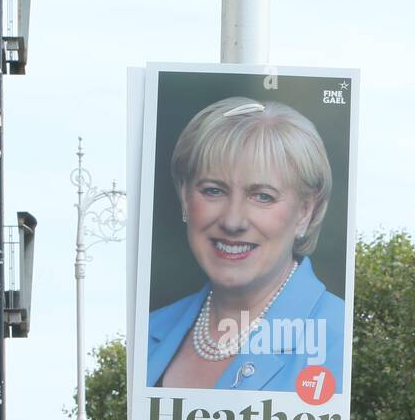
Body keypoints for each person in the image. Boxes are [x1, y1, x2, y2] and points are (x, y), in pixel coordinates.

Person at [147, 96, 345, 391]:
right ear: (185, 196)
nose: (233, 221)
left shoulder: (341, 335)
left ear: (306, 211)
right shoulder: (148, 329)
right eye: (213, 190)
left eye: (262, 196)